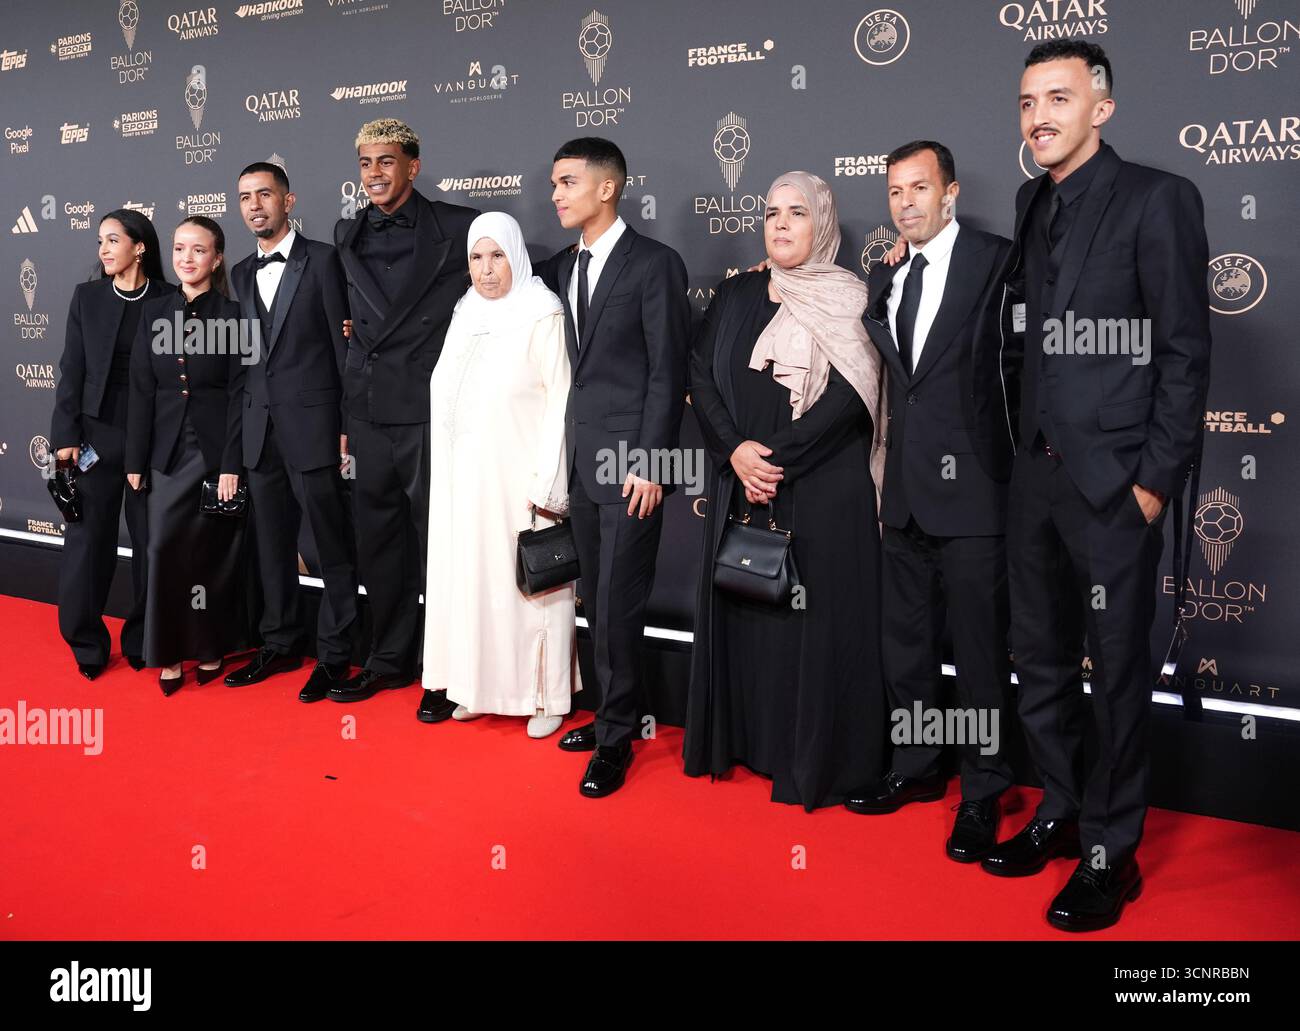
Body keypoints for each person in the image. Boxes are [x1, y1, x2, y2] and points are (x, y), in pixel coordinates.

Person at [970, 40, 1211, 931]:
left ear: (1101, 109)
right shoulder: (1035, 200)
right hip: (1034, 478)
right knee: (1036, 660)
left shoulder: (1159, 199)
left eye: (1059, 98)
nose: (1039, 116)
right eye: (1028, 100)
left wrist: (1153, 483)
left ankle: (1111, 855)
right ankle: (1063, 811)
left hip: (1115, 487)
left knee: (1113, 677)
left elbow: (1185, 352)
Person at [683, 171, 887, 810]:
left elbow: (855, 396)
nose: (779, 223)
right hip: (743, 481)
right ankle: (746, 742)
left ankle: (810, 760)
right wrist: (737, 453)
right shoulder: (737, 293)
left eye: (796, 212)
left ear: (821, 222)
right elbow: (700, 374)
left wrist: (774, 458)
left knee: (813, 624)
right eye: (771, 211)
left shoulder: (850, 297)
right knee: (750, 612)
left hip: (823, 489)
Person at [848, 140, 1016, 863]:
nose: (905, 202)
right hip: (903, 494)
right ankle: (917, 770)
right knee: (906, 650)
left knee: (979, 656)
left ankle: (982, 793)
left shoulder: (997, 260)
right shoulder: (886, 280)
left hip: (977, 493)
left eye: (919, 188)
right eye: (894, 192)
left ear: (950, 192)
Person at [536, 137, 690, 797]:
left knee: (621, 604)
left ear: (608, 187)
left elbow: (667, 370)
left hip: (632, 465)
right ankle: (607, 717)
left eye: (568, 182)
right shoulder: (561, 267)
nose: (556, 195)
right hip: (581, 464)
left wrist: (653, 462)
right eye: (553, 183)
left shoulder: (655, 264)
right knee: (595, 601)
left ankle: (619, 736)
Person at [328, 118, 479, 717]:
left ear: (412, 166)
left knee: (440, 545)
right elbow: (345, 322)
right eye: (365, 163)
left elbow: (512, 285)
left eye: (385, 162)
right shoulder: (345, 233)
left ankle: (447, 674)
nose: (374, 175)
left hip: (430, 410)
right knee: (381, 544)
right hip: (367, 411)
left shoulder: (459, 227)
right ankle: (389, 661)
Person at [421, 212, 579, 736]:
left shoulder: (542, 313)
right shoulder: (465, 312)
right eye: (476, 258)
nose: (486, 271)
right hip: (463, 486)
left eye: (497, 256)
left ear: (516, 255)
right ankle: (478, 687)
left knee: (529, 592)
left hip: (520, 483)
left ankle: (544, 697)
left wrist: (548, 487)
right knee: (473, 587)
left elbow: (561, 402)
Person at [224, 162, 359, 702]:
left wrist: (346, 427)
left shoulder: (324, 260)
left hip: (316, 428)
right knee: (272, 547)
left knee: (330, 548)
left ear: (289, 200)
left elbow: (344, 351)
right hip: (260, 430)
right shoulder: (237, 273)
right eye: (244, 197)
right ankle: (279, 642)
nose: (254, 205)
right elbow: (245, 365)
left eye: (264, 194)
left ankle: (335, 656)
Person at [125, 217, 249, 694]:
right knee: (162, 553)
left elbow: (242, 394)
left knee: (210, 558)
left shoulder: (236, 317)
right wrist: (135, 460)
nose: (186, 259)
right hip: (166, 453)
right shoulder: (153, 313)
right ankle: (169, 653)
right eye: (179, 249)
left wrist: (232, 465)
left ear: (216, 258)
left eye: (199, 250)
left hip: (214, 455)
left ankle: (211, 645)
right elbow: (141, 392)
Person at [51, 209, 171, 680]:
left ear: (139, 247)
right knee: (87, 541)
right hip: (95, 437)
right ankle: (86, 642)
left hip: (152, 437)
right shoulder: (88, 298)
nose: (102, 249)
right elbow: (71, 371)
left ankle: (144, 639)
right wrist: (65, 438)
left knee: (151, 543)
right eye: (100, 240)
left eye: (112, 240)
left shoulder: (168, 298)